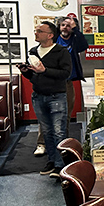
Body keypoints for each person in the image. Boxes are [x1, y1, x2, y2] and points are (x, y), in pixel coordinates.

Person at [19, 22, 71, 178]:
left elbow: (66, 73)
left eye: (40, 31)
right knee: (46, 131)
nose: (36, 33)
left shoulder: (61, 52)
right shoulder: (33, 52)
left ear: (50, 35)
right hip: (38, 96)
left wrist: (45, 70)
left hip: (57, 96)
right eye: (36, 30)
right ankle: (51, 160)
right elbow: (33, 76)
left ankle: (60, 165)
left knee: (58, 131)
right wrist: (25, 72)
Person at [34, 16, 88, 157]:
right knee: (45, 117)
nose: (66, 27)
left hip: (67, 82)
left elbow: (84, 45)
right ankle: (42, 143)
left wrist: (75, 28)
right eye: (63, 25)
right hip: (50, 82)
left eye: (69, 25)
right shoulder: (54, 40)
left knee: (65, 116)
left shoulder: (74, 40)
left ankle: (64, 144)